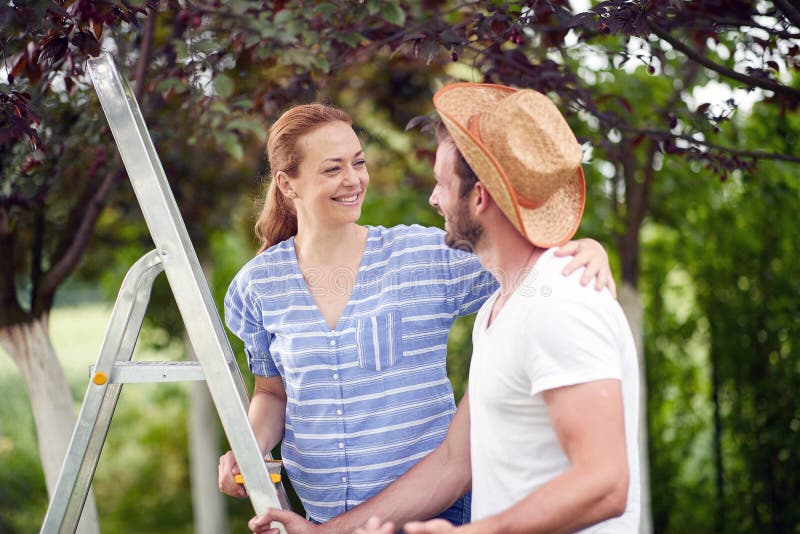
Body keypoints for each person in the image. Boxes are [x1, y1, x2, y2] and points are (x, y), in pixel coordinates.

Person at [248, 83, 641, 534]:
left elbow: (607, 485)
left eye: (441, 184)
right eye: (333, 168)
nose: (433, 200)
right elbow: (454, 462)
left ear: (479, 198)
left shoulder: (560, 304)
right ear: (286, 183)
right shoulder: (501, 309)